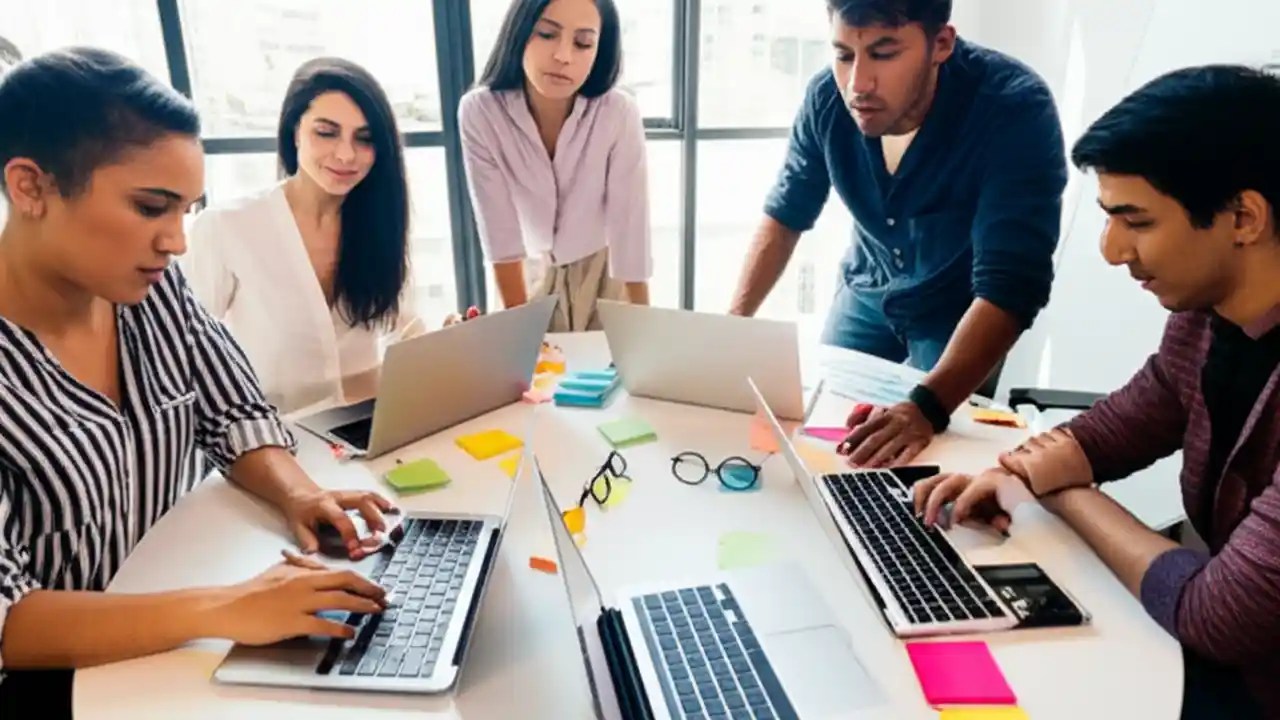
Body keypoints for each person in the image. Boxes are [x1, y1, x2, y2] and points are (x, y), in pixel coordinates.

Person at [0, 48, 397, 716]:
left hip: (179, 631)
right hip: (60, 684)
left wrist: (301, 495)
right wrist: (229, 606)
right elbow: (9, 623)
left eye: (186, 211)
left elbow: (232, 411)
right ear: (31, 187)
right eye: (150, 207)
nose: (177, 241)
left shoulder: (152, 292)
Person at [914, 65, 1280, 719]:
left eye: (1136, 221)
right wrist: (1014, 472)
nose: (1112, 251)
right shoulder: (1207, 317)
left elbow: (1217, 614)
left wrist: (1065, 491)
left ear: (1244, 218)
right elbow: (1139, 413)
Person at [729, 0, 1067, 467]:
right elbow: (786, 214)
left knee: (926, 461)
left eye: (884, 54)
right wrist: (732, 328)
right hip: (866, 292)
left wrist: (926, 408)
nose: (858, 83)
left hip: (957, 312)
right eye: (844, 54)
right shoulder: (826, 98)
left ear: (941, 43)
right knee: (822, 435)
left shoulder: (1014, 108)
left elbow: (1011, 286)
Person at [183, 57, 424, 416]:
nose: (346, 154)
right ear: (295, 131)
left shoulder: (379, 223)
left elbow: (403, 326)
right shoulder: (226, 227)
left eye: (365, 138)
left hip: (369, 427)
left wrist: (448, 341)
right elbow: (185, 355)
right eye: (326, 132)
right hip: (275, 434)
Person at [460, 0, 652, 332]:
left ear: (599, 50)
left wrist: (645, 329)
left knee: (620, 360)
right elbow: (499, 233)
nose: (563, 56)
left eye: (583, 43)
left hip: (605, 271)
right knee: (529, 361)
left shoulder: (618, 111)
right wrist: (520, 332)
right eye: (547, 34)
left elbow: (630, 226)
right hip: (524, 273)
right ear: (520, 32)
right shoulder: (480, 112)